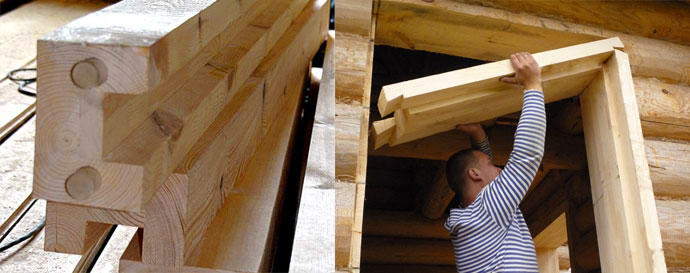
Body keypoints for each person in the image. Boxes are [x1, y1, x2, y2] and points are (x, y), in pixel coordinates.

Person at [444, 52, 546, 272]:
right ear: (474, 175)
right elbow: (526, 156)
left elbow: (483, 171)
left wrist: (479, 137)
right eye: (492, 165)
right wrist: (533, 84)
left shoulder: (470, 216)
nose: (500, 168)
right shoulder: (489, 209)